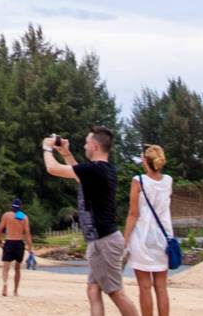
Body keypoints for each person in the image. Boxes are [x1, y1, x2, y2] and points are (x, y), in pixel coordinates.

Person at [43, 127, 140, 316]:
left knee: (116, 292)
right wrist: (66, 153)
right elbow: (80, 176)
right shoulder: (103, 169)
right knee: (93, 290)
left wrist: (47, 148)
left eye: (87, 142)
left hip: (104, 241)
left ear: (95, 146)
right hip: (103, 240)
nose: (85, 145)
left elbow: (52, 168)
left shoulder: (95, 170)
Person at [124, 144, 175, 316]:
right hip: (164, 237)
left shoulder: (138, 181)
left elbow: (133, 213)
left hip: (142, 236)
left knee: (144, 287)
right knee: (161, 287)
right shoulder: (168, 180)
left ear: (145, 160)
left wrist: (124, 240)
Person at [0, 197, 34, 297]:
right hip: (19, 243)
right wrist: (30, 247)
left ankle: (5, 284)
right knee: (17, 269)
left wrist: (0, 241)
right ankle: (15, 291)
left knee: (6, 268)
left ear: (12, 206)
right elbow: (27, 233)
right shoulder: (23, 217)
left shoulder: (7, 215)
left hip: (9, 242)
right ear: (21, 206)